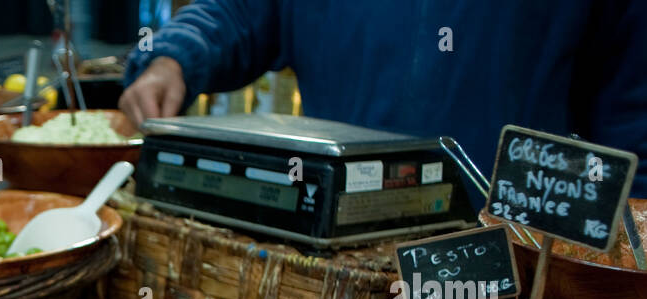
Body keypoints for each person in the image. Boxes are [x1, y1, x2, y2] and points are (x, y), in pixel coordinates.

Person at [121, 0, 647, 197]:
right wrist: (174, 57)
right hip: (340, 233)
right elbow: (241, 14)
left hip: (514, 257)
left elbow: (632, 112)